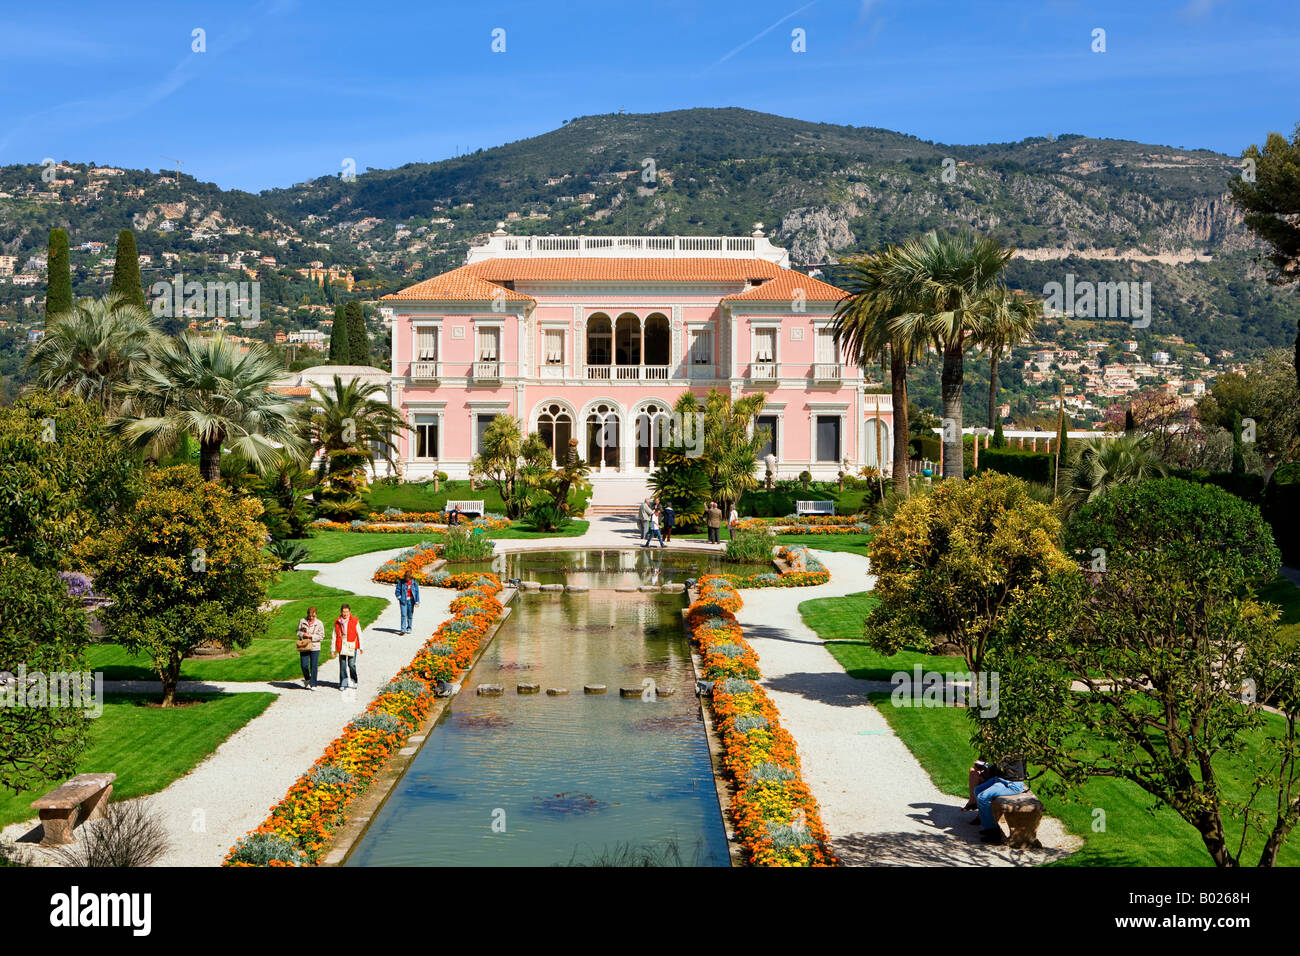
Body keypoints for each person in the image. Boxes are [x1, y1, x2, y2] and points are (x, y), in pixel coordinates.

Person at [966, 757, 1028, 845]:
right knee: (977, 790)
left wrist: (984, 765)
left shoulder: (1011, 749)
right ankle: (987, 824)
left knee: (982, 797)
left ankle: (993, 832)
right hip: (1001, 779)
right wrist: (983, 765)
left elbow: (1000, 767)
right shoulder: (1001, 748)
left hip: (1012, 784)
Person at [296, 606, 325, 690]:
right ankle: (308, 679)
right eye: (310, 616)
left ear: (316, 615)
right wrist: (303, 634)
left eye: (313, 616)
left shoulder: (319, 623)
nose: (311, 618)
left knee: (314, 665)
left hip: (315, 646)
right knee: (304, 665)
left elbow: (322, 636)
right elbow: (298, 631)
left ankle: (313, 684)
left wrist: (311, 636)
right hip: (304, 645)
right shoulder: (302, 621)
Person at [334, 603, 362, 691]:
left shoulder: (355, 620)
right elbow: (334, 635)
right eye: (343, 612)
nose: (345, 614)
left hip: (352, 644)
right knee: (342, 665)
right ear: (341, 612)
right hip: (342, 643)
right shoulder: (338, 621)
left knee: (351, 664)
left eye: (347, 612)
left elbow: (359, 633)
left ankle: (354, 681)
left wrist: (361, 646)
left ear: (349, 612)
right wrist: (332, 649)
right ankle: (343, 683)